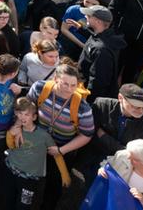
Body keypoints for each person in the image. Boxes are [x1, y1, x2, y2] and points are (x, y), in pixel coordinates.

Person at [27, 63, 95, 208]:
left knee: (54, 185)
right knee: (29, 178)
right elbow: (28, 106)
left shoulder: (83, 108)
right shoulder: (40, 88)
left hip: (61, 150)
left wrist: (60, 151)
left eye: (73, 85)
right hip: (36, 143)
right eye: (65, 84)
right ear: (55, 78)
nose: (69, 89)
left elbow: (86, 135)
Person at [4, 97, 54, 210]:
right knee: (7, 199)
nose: (22, 117)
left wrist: (64, 173)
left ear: (34, 117)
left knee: (24, 205)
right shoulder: (16, 129)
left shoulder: (44, 136)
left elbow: (56, 153)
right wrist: (10, 133)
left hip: (29, 180)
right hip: (11, 171)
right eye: (20, 114)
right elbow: (10, 146)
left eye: (26, 114)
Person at [99, 139, 143, 210]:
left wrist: (142, 202)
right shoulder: (124, 155)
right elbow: (107, 163)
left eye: (134, 159)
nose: (129, 158)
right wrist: (102, 169)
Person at [78, 5, 125, 99]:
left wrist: (87, 99)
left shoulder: (102, 49)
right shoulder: (101, 36)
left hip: (89, 96)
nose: (85, 16)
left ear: (98, 21)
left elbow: (98, 81)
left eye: (89, 16)